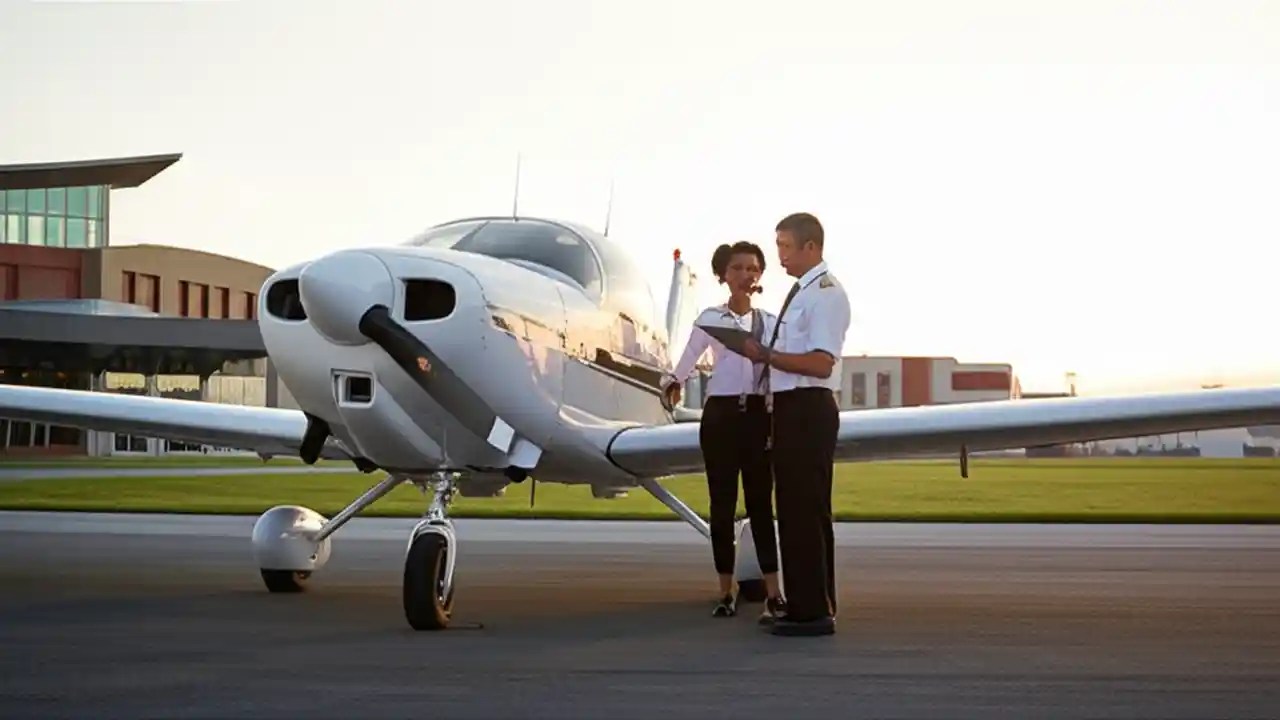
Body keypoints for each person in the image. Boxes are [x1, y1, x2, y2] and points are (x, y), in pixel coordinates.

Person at [662, 241, 786, 623]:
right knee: (721, 505)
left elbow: (780, 371)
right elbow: (682, 364)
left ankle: (774, 593)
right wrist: (671, 383)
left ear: (760, 275)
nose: (746, 275)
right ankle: (724, 591)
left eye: (753, 268)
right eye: (738, 268)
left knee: (762, 506)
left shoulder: (770, 323)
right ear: (724, 275)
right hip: (720, 417)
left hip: (757, 418)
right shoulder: (710, 320)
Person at [742, 212, 851, 637]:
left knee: (803, 510)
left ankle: (812, 612)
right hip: (793, 408)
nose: (780, 255)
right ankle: (813, 601)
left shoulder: (824, 294)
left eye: (786, 246)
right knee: (797, 509)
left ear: (811, 247)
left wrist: (765, 356)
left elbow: (822, 363)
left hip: (807, 407)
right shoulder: (803, 290)